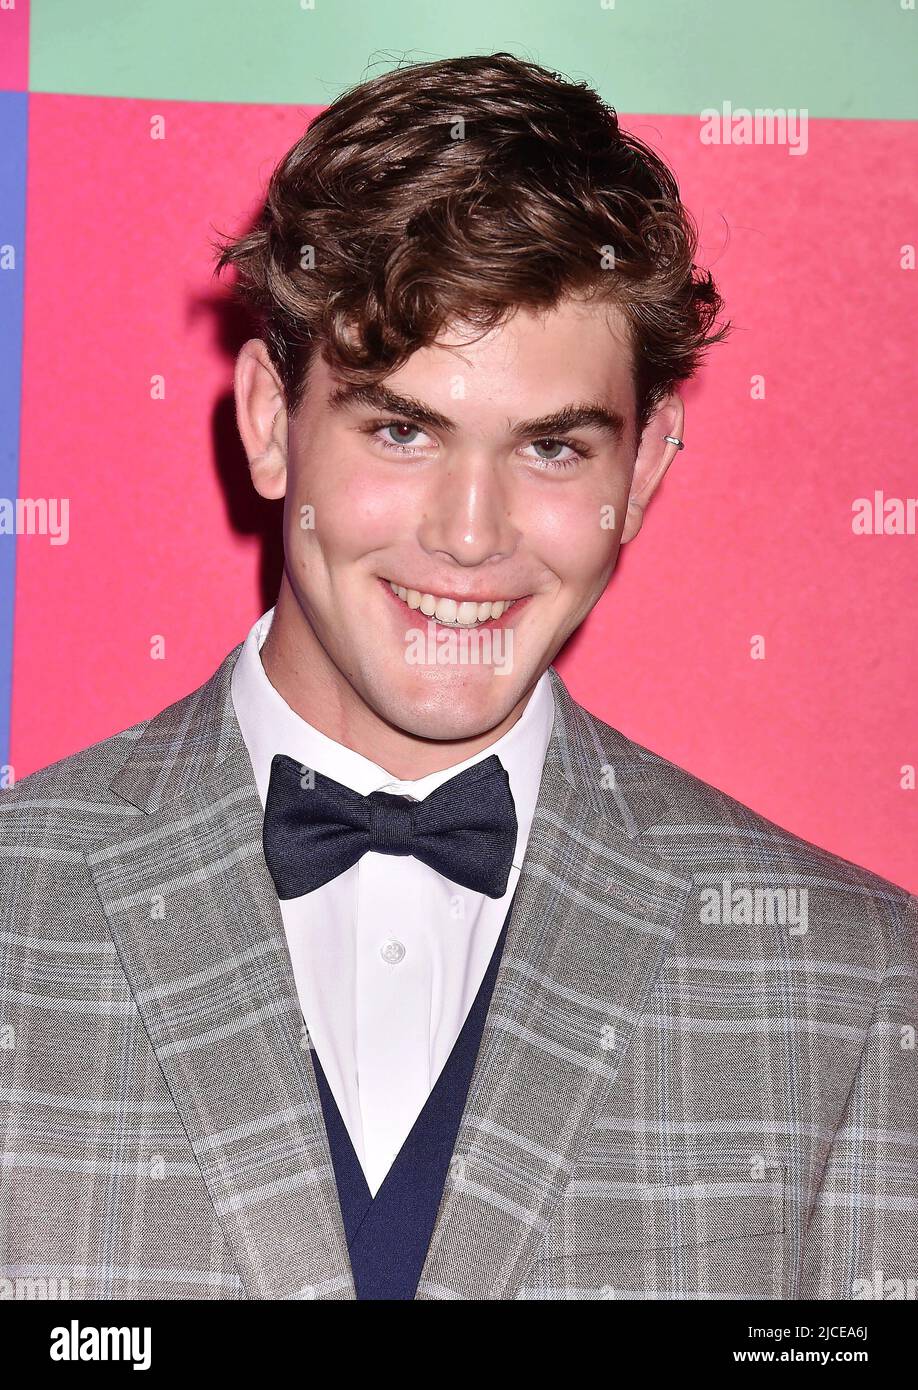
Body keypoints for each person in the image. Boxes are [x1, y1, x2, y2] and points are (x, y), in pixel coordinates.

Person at [0, 52, 914, 1302]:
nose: (471, 533)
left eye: (549, 446)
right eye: (401, 429)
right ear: (271, 422)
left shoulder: (851, 985)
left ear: (642, 467)